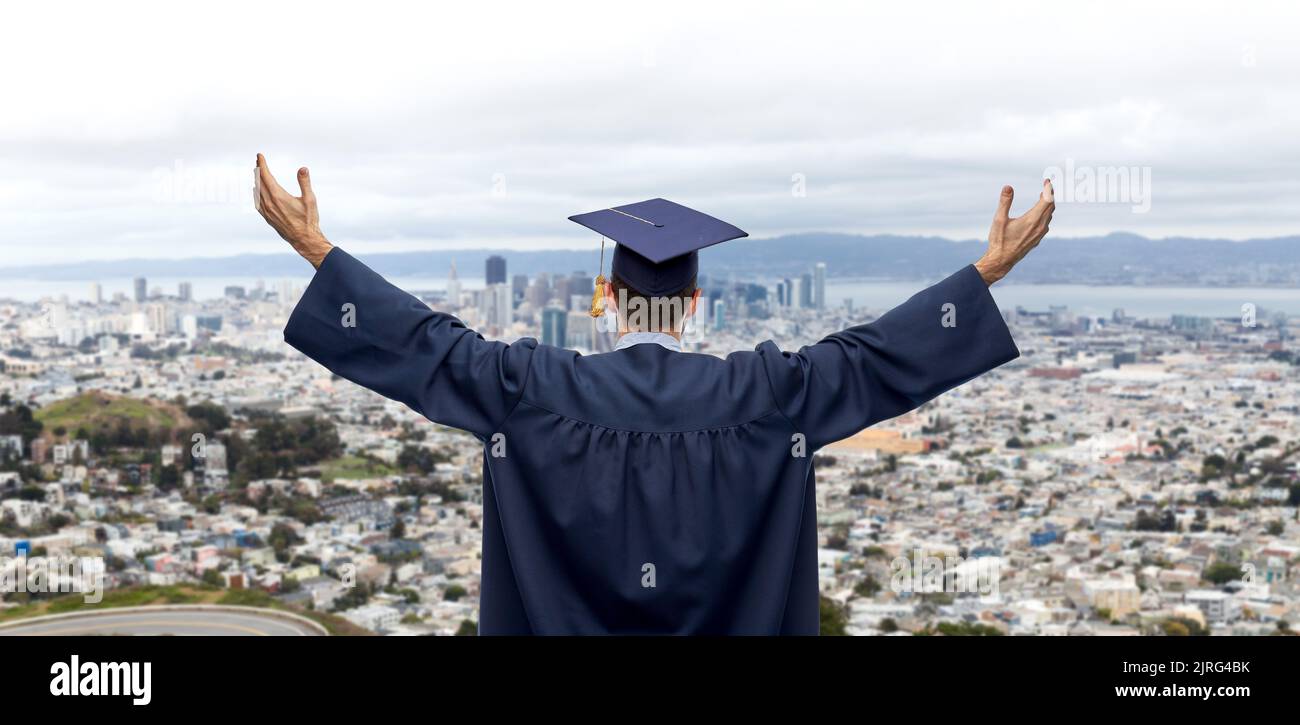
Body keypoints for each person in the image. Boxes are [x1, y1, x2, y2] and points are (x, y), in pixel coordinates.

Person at [254, 153, 1055, 634]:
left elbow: (422, 343)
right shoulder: (773, 395)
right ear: (698, 301)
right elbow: (878, 358)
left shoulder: (526, 388)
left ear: (604, 296)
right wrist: (986, 271)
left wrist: (315, 247)